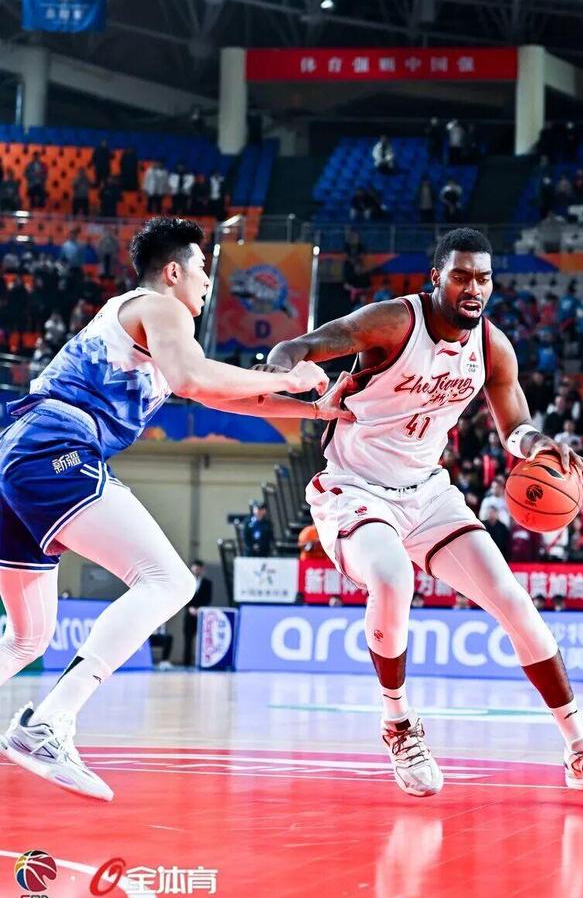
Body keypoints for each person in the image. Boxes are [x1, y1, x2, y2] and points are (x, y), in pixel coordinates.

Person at [261, 226, 583, 800]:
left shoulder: (492, 346)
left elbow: (515, 427)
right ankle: (398, 723)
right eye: (461, 276)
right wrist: (286, 369)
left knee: (515, 603)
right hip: (355, 486)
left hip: (429, 493)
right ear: (437, 277)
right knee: (393, 577)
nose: (474, 288)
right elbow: (305, 345)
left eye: (483, 278)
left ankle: (580, 751)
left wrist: (539, 445)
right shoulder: (393, 322)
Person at [0, 217, 353, 801]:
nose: (208, 282)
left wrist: (316, 411)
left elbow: (218, 395)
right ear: (173, 271)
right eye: (203, 269)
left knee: (28, 638)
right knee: (167, 581)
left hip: (20, 453)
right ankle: (50, 723)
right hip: (54, 447)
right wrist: (293, 380)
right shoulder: (162, 308)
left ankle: (46, 724)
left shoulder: (149, 325)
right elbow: (193, 379)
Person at [182, 559, 213, 667]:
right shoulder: (186, 582)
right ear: (192, 568)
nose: (197, 570)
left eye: (199, 568)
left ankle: (201, 661)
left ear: (202, 569)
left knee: (203, 638)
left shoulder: (207, 583)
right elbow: (183, 597)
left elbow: (208, 599)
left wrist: (200, 609)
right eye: (195, 567)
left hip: (201, 615)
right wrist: (189, 608)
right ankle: (186, 663)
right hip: (189, 614)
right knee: (188, 639)